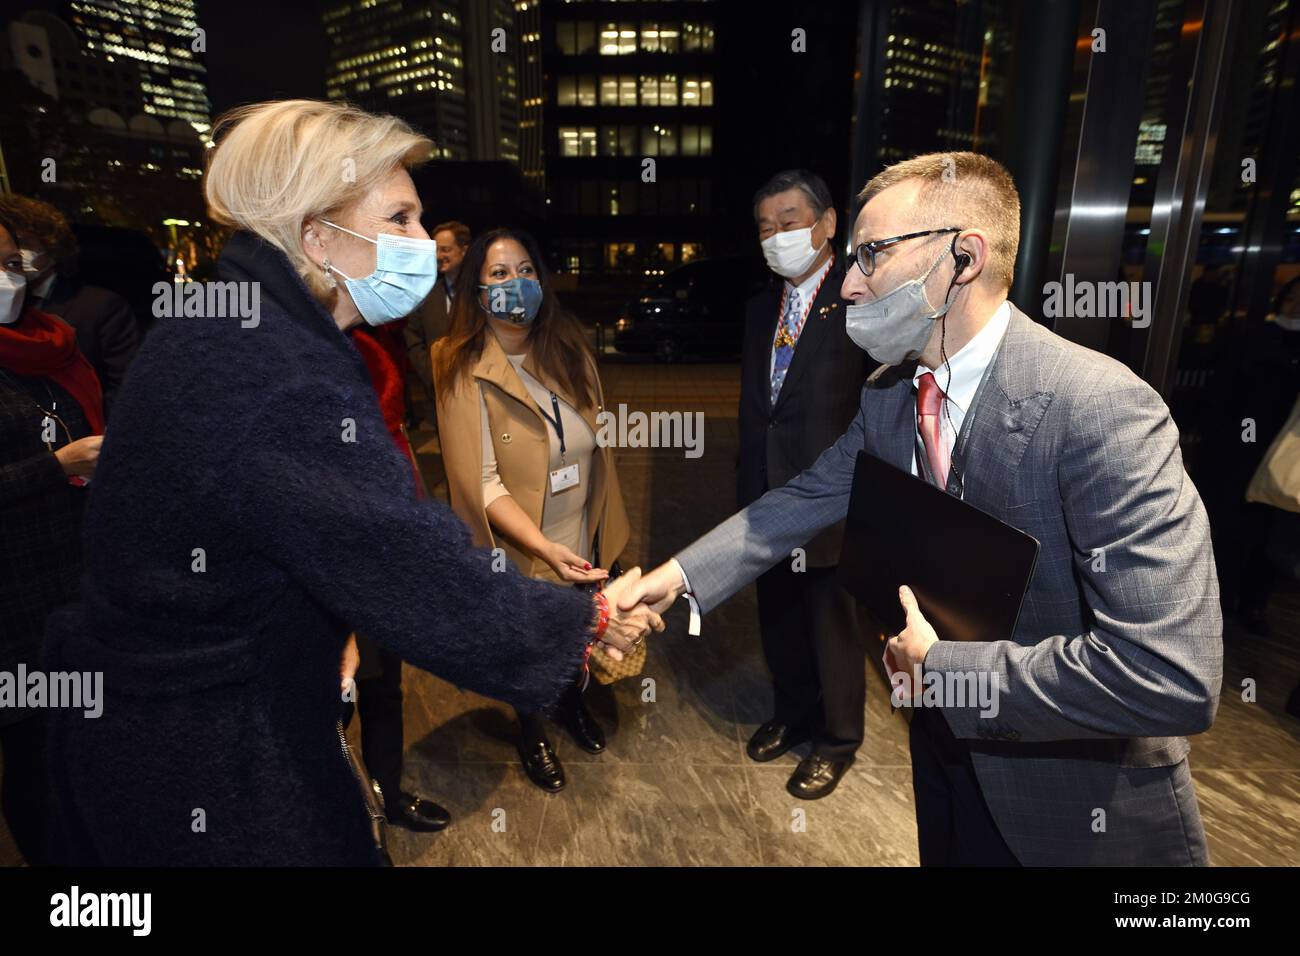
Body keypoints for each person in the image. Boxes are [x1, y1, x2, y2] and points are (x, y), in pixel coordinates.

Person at [40, 99, 661, 866]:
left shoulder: (227, 320)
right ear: (316, 237)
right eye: (399, 218)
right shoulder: (278, 370)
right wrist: (586, 622)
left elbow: (273, 531)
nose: (424, 245)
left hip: (152, 729)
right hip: (211, 762)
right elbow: (400, 559)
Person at [621, 152, 1223, 866]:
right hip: (944, 760)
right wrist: (675, 577)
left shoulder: (1101, 409)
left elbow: (1170, 676)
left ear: (962, 256)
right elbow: (807, 496)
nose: (846, 284)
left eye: (870, 255)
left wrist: (945, 673)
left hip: (1076, 802)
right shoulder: (888, 392)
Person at [432, 227, 630, 792]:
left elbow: (601, 445)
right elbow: (480, 483)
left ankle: (569, 704)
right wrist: (543, 547)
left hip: (581, 529)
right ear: (476, 290)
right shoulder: (458, 364)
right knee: (525, 645)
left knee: (574, 633)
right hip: (520, 544)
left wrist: (601, 536)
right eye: (498, 274)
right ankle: (532, 730)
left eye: (524, 270)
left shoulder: (569, 349)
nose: (514, 284)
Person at [742, 170, 874, 799]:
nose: (776, 237)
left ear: (827, 225)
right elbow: (757, 409)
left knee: (833, 626)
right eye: (765, 227)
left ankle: (837, 738)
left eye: (790, 222)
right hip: (766, 501)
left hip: (833, 505)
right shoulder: (759, 308)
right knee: (780, 620)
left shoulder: (860, 299)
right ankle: (792, 714)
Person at [0, 215, 104, 864]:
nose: (10, 275)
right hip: (10, 604)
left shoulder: (47, 345)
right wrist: (58, 467)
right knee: (35, 758)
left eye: (14, 260)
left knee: (86, 749)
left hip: (77, 585)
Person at [342, 324, 451, 832]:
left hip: (381, 557)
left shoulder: (371, 349)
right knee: (333, 701)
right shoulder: (282, 356)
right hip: (316, 567)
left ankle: (386, 795)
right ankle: (349, 821)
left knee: (385, 684)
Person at [0, 195, 139, 416]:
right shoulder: (11, 312)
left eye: (24, 243)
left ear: (51, 247)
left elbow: (125, 385)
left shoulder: (100, 306)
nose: (18, 251)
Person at [406, 221, 470, 436]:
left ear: (464, 250)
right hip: (438, 399)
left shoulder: (480, 292)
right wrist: (429, 372)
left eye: (445, 249)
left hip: (476, 395)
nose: (438, 255)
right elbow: (412, 336)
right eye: (435, 249)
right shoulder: (426, 292)